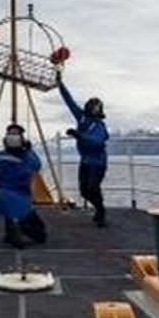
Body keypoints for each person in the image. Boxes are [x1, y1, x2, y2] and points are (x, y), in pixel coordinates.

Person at [58, 80, 109, 226]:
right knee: (84, 191)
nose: (93, 109)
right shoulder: (82, 117)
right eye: (91, 106)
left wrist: (78, 135)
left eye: (95, 107)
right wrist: (60, 84)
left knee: (93, 187)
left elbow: (96, 141)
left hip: (98, 163)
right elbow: (69, 101)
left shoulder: (99, 126)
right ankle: (99, 208)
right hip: (85, 161)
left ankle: (100, 212)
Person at [0, 123, 47, 247]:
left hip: (1, 195)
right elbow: (37, 166)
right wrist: (29, 150)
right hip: (20, 197)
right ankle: (18, 229)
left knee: (8, 207)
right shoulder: (27, 158)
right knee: (40, 234)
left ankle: (12, 231)